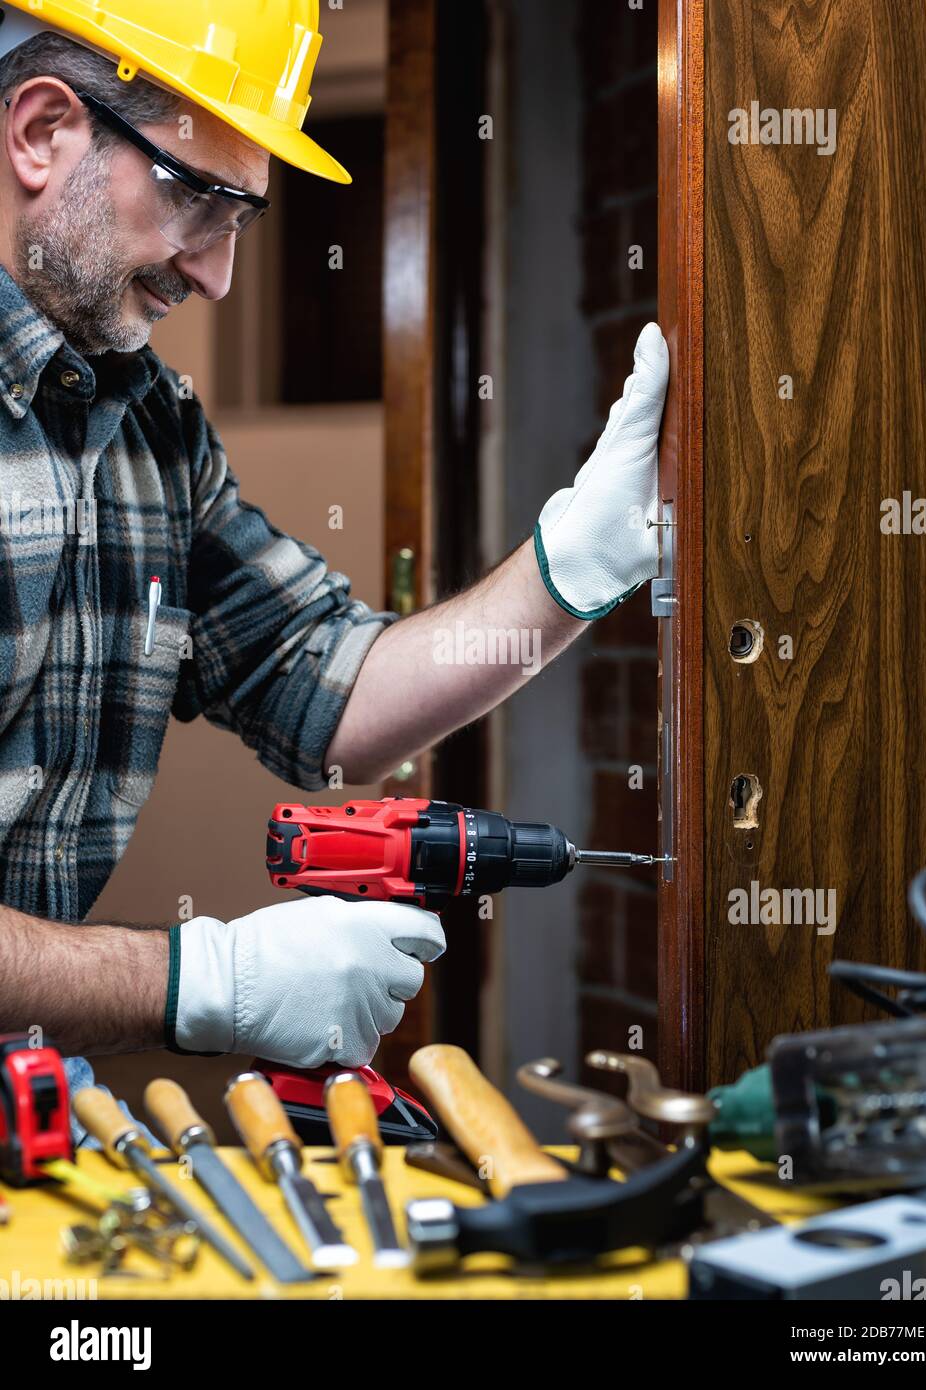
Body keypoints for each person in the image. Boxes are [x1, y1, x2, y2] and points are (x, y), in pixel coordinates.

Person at [0, 1, 669, 1121]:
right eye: (194, 197)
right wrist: (199, 980)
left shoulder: (149, 427)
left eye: (243, 218)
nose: (214, 275)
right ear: (41, 132)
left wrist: (573, 564)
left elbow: (328, 685)